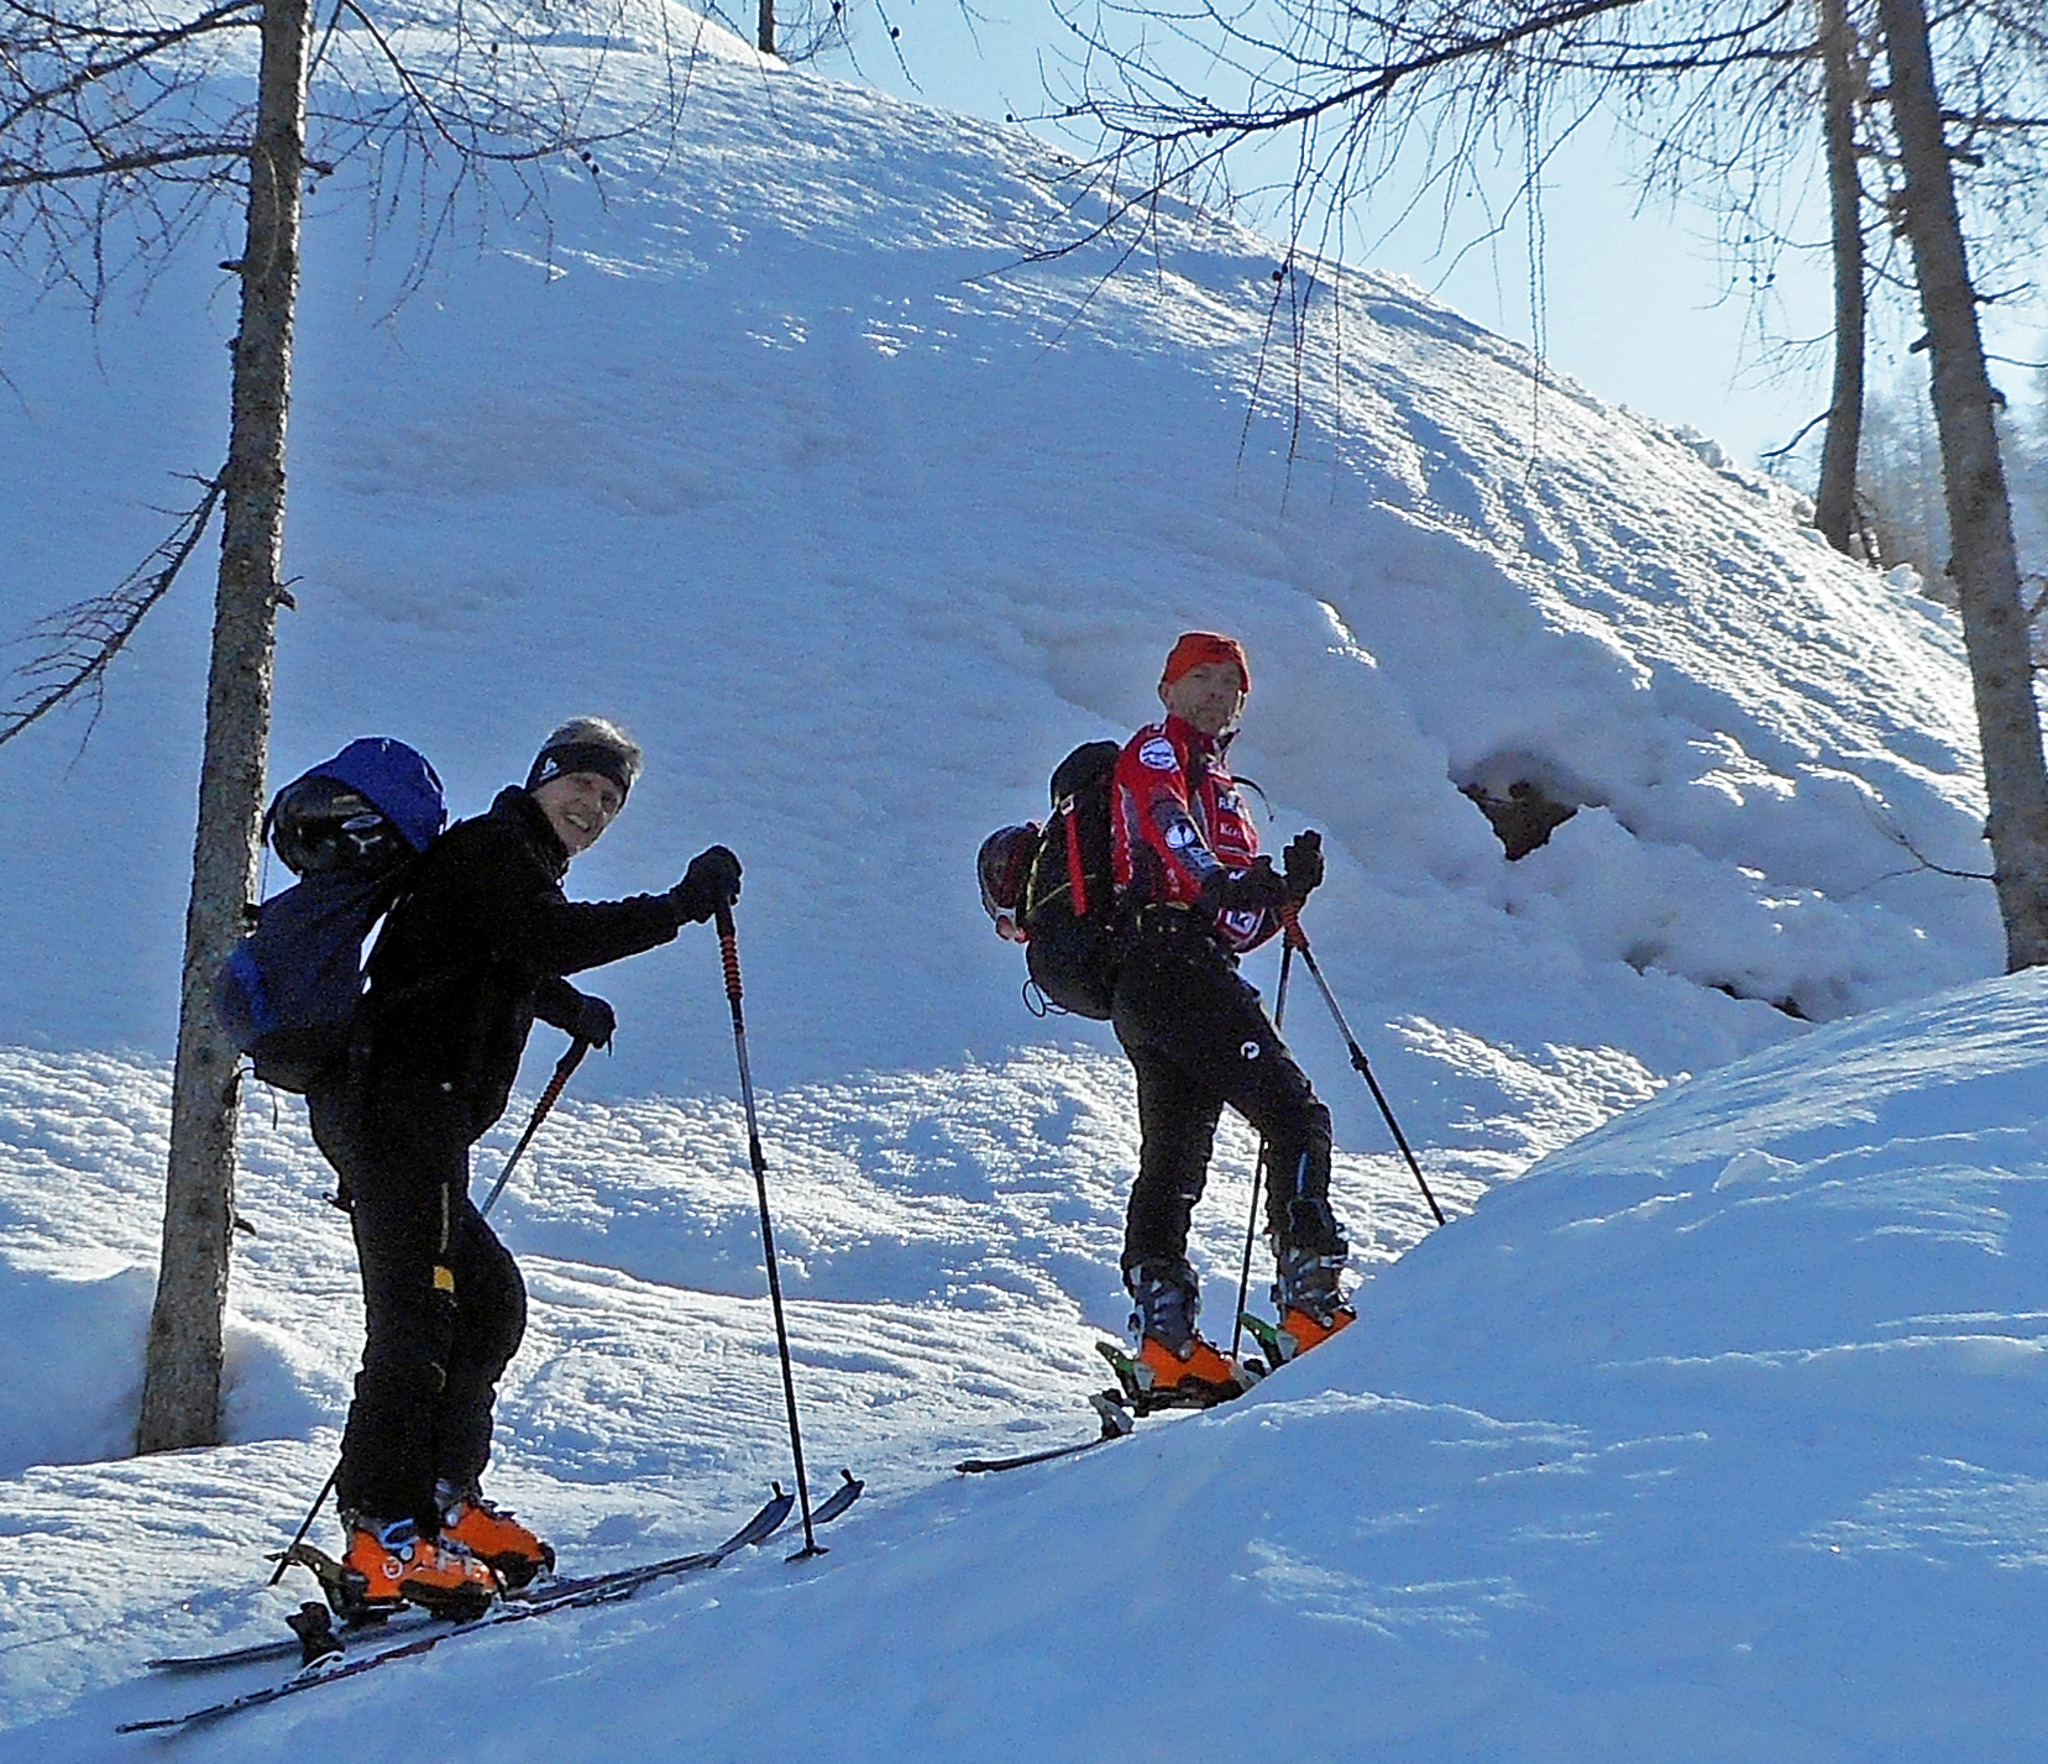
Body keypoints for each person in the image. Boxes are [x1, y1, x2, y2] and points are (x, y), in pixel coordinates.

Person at [307, 717, 743, 1613]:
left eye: (611, 799)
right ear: (543, 778)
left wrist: (560, 1005)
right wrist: (681, 904)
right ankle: (380, 1536)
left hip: (417, 1120)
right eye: (582, 785)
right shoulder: (492, 849)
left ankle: (440, 1504)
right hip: (392, 1111)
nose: (594, 807)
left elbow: (486, 955)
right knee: (416, 1321)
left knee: (488, 1302)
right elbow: (545, 938)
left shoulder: (511, 868)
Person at [1106, 632, 1350, 1401]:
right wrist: (1217, 884)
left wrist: (1284, 894)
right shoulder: (1155, 753)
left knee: (1175, 1159)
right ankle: (1309, 1301)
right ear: (1168, 689)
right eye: (1201, 679)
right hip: (1172, 969)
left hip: (1157, 981)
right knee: (1298, 1117)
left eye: (1230, 684)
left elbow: (1240, 924)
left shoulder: (1227, 795)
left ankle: (1166, 1339)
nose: (1216, 694)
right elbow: (1169, 832)